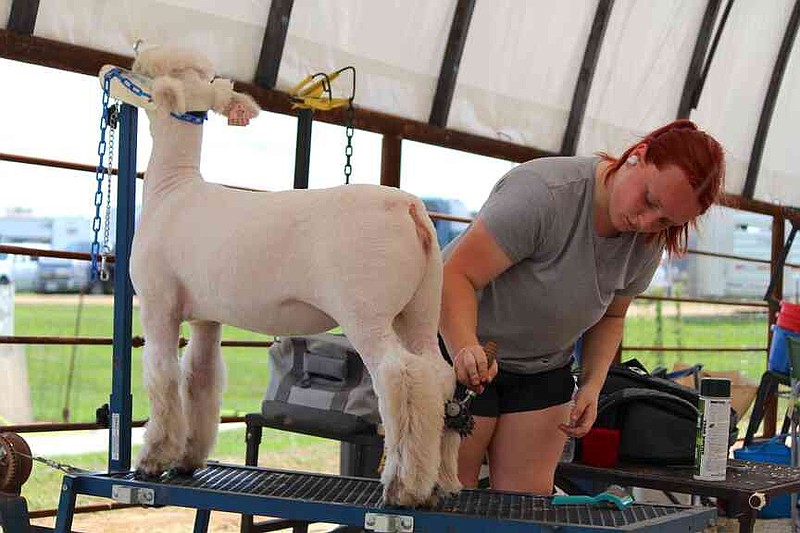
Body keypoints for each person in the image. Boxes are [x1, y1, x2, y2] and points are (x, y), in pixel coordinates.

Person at [438, 119, 725, 494]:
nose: (646, 222)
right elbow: (456, 276)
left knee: (525, 506)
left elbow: (612, 316)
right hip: (460, 353)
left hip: (543, 367)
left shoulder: (649, 241)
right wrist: (463, 347)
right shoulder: (544, 193)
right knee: (448, 495)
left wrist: (591, 386)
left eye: (666, 221)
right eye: (650, 201)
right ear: (637, 156)